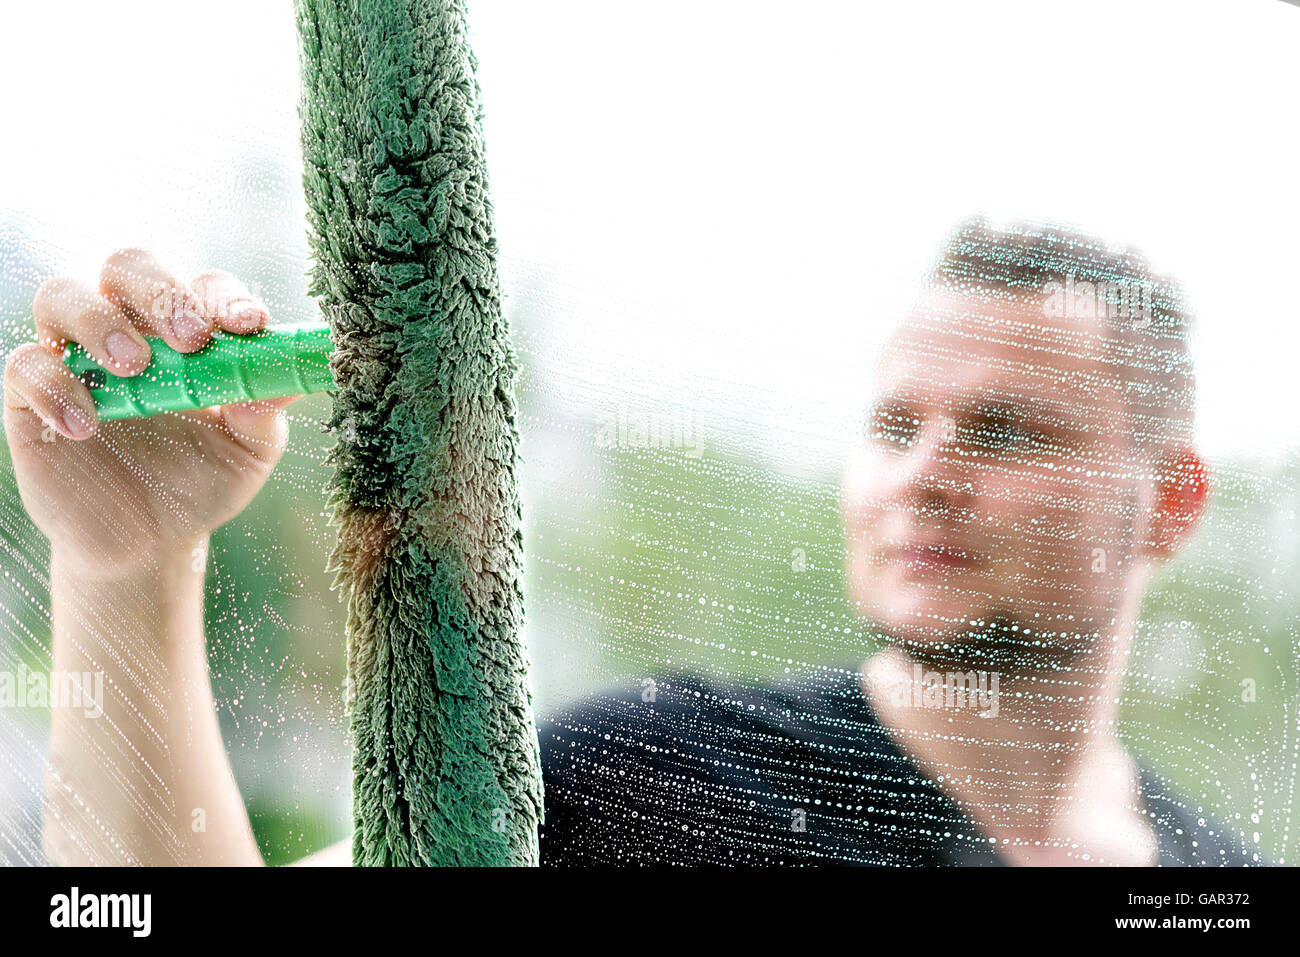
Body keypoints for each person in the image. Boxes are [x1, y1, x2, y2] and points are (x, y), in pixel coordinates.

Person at [5, 219, 1255, 867]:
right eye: (894, 426)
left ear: (1171, 501)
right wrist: (130, 569)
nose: (923, 475)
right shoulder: (644, 789)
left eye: (1005, 431)